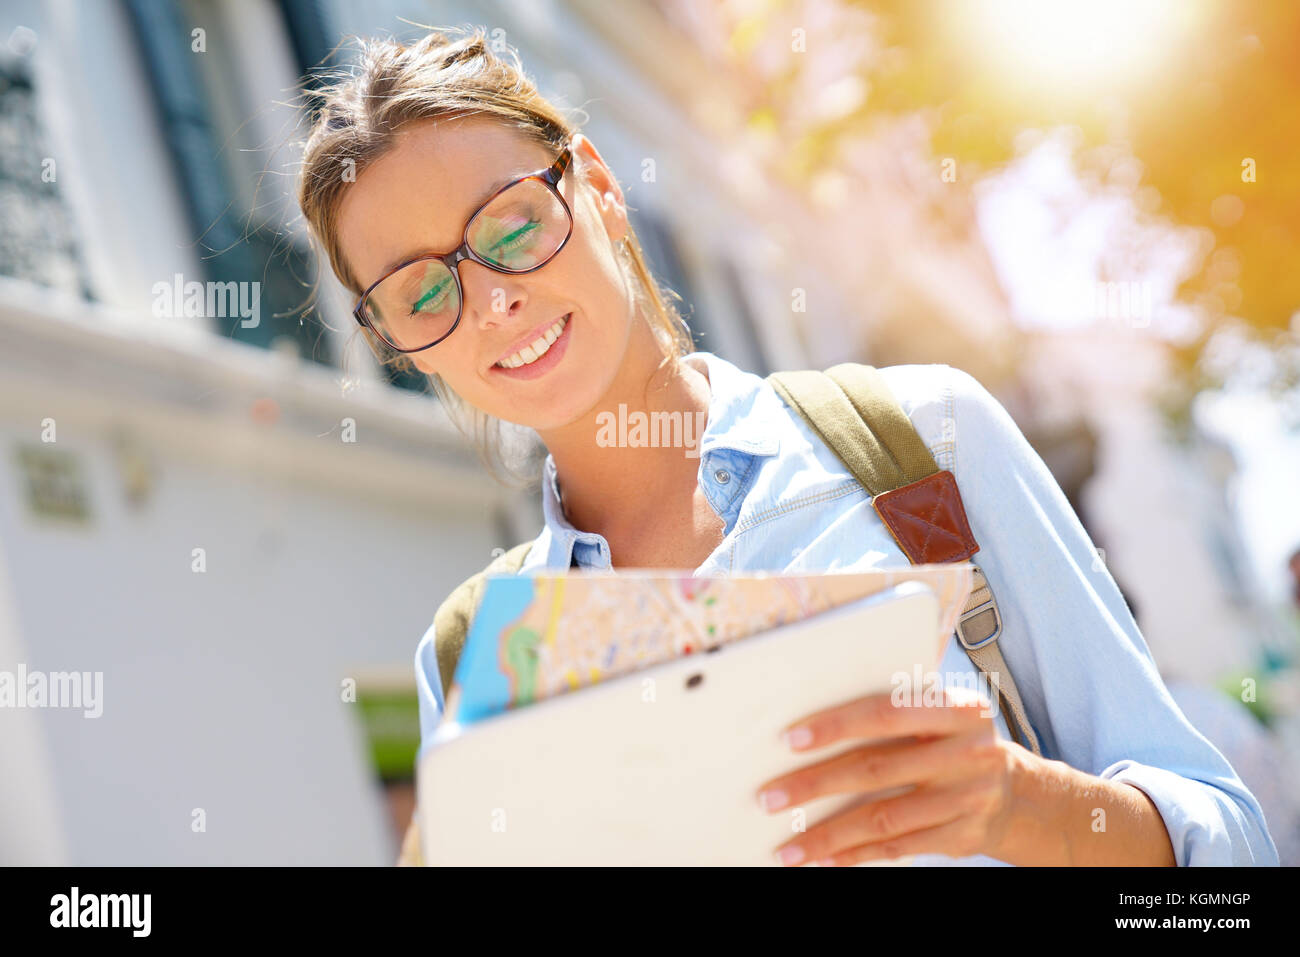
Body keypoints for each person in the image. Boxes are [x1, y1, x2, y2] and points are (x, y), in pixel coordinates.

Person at [294, 27, 1278, 867]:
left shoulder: (917, 448)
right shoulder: (470, 660)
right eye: (421, 292)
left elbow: (1227, 841)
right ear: (392, 340)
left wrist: (1015, 805)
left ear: (593, 186)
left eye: (510, 226)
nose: (490, 300)